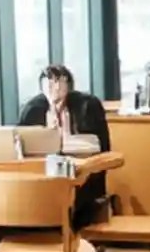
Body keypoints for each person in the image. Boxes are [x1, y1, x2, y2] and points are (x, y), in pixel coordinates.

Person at [19, 65, 111, 227]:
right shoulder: (32, 109)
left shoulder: (88, 106)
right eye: (49, 83)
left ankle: (69, 232)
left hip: (82, 174)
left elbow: (103, 147)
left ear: (68, 85)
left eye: (59, 81)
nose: (54, 87)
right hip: (44, 174)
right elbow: (22, 147)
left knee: (71, 197)